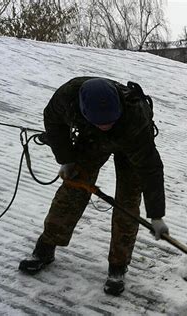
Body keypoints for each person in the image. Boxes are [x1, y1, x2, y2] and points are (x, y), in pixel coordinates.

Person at [18, 77, 169, 296]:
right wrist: (66, 159)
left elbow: (151, 169)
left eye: (110, 121)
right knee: (73, 188)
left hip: (129, 142)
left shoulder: (136, 116)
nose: (106, 126)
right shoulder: (67, 98)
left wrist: (156, 216)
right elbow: (53, 123)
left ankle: (118, 267)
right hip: (91, 139)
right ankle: (45, 248)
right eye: (102, 122)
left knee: (127, 202)